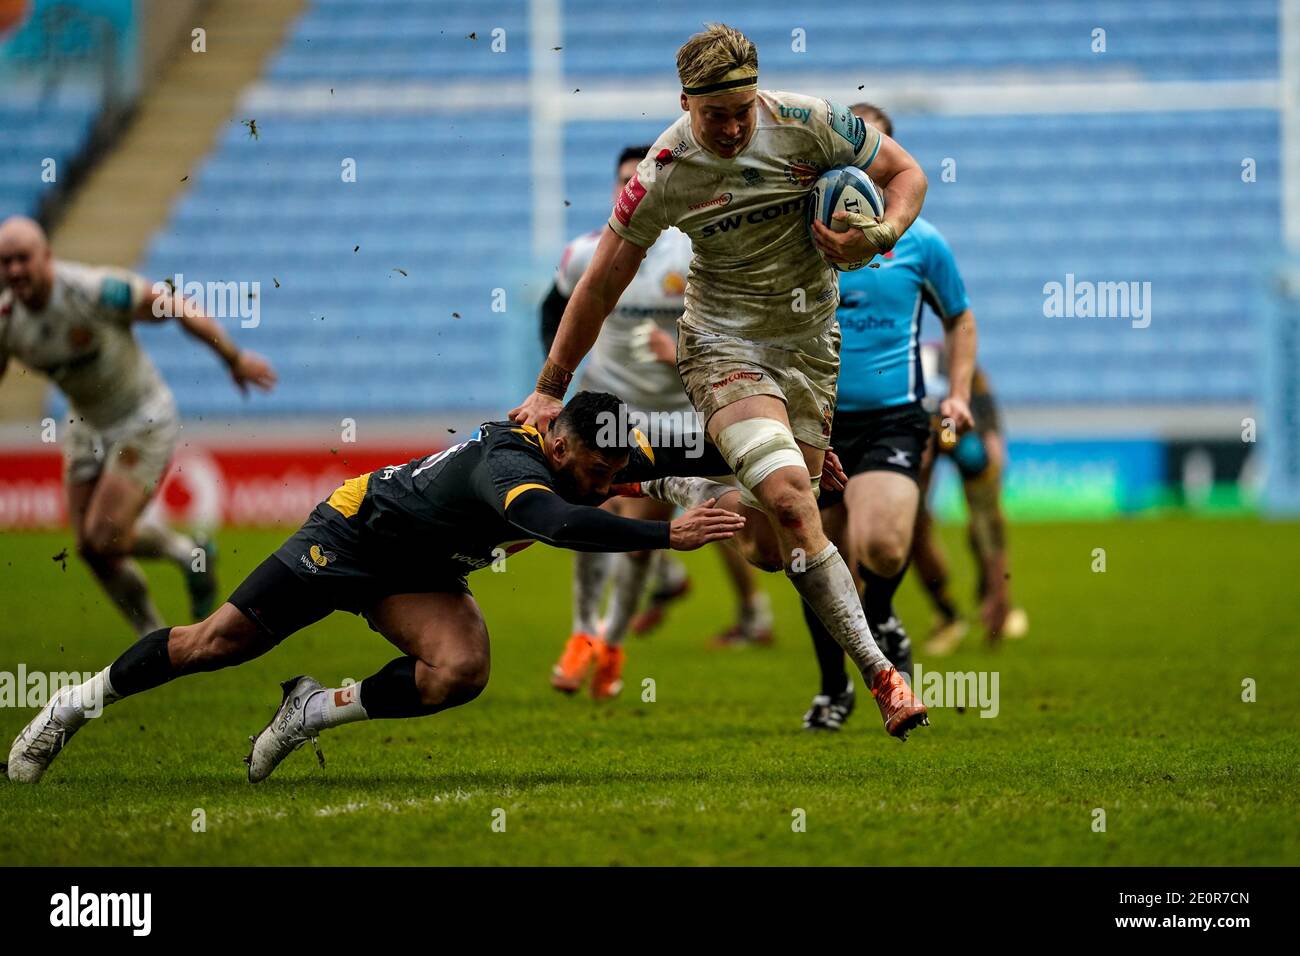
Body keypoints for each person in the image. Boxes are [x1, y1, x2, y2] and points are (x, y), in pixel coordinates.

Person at [511, 24, 931, 737]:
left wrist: (881, 234)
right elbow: (604, 276)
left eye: (742, 109)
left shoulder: (809, 122)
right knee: (798, 502)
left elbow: (906, 174)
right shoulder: (665, 169)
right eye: (715, 115)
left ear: (758, 92)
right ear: (685, 103)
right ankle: (883, 676)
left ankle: (691, 480)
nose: (733, 127)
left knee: (772, 548)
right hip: (723, 345)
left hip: (810, 349)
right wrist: (553, 382)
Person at [6, 391, 748, 785]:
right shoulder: (511, 467)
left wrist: (799, 461)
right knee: (217, 644)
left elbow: (713, 443)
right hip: (352, 536)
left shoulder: (606, 444)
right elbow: (553, 523)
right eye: (595, 472)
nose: (608, 483)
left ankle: (310, 712)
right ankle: (72, 706)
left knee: (460, 672)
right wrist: (663, 532)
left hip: (423, 569)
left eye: (616, 473)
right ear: (557, 444)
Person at [542, 145, 772, 700]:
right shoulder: (583, 255)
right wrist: (552, 383)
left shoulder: (690, 258)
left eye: (640, 180)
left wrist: (680, 353)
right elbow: (556, 310)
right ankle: (581, 638)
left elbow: (728, 330)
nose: (633, 189)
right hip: (608, 408)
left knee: (643, 536)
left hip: (674, 416)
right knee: (583, 516)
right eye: (623, 181)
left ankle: (613, 644)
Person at [0, 215, 277, 636]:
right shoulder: (6, 320)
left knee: (103, 535)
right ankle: (156, 625)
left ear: (47, 258)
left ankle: (179, 568)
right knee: (90, 549)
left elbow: (174, 304)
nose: (15, 270)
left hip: (141, 417)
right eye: (5, 262)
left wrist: (233, 359)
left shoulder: (93, 291)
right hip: (85, 424)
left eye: (23, 259)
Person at [798, 103, 978, 731]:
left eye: (876, 155)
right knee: (806, 555)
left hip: (892, 420)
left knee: (880, 543)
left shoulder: (922, 242)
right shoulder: (801, 236)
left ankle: (879, 620)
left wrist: (957, 393)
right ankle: (833, 688)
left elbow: (959, 317)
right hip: (811, 421)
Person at [911, 343, 1029, 655]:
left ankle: (993, 599)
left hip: (953, 424)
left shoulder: (959, 373)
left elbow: (985, 415)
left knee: (983, 518)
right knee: (912, 525)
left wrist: (999, 590)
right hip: (933, 425)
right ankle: (950, 612)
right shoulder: (920, 375)